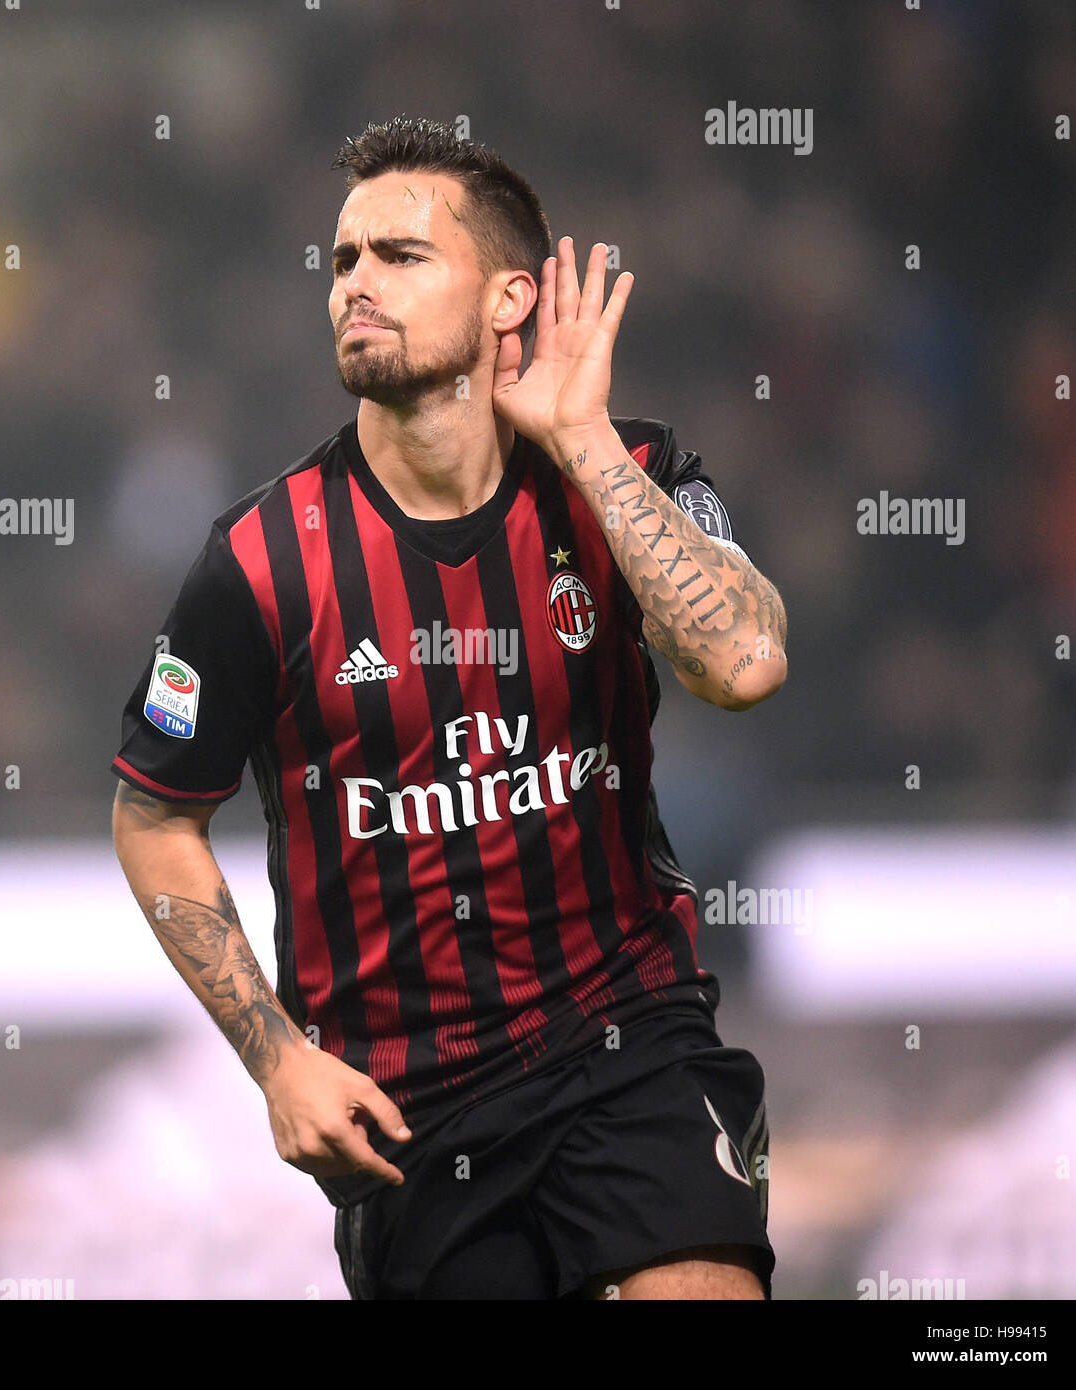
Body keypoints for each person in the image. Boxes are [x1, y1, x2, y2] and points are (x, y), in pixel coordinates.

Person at [111, 115, 788, 1300]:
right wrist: (277, 1062)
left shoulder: (631, 472)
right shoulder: (261, 563)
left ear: (510, 298)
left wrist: (581, 440)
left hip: (632, 1036)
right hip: (410, 1107)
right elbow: (154, 816)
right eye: (342, 260)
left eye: (400, 256)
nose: (355, 285)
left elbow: (744, 665)